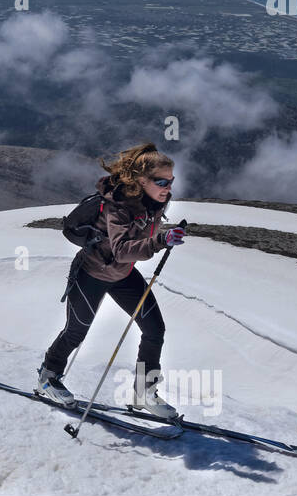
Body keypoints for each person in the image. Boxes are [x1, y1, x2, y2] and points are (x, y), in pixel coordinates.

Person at [38, 141, 186, 418]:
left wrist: (164, 233)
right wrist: (161, 240)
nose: (168, 187)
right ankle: (48, 376)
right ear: (142, 181)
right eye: (161, 181)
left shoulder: (155, 201)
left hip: (124, 275)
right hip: (90, 274)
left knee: (155, 330)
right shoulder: (117, 206)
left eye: (170, 181)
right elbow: (120, 250)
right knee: (76, 332)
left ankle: (145, 393)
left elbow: (142, 231)